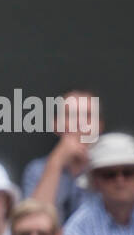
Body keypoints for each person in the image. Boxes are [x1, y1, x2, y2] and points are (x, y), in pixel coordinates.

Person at [22, 89, 100, 224]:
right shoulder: (37, 170)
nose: (79, 123)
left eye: (87, 116)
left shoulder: (111, 171)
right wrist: (57, 160)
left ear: (99, 125)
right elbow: (33, 223)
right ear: (56, 125)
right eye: (71, 115)